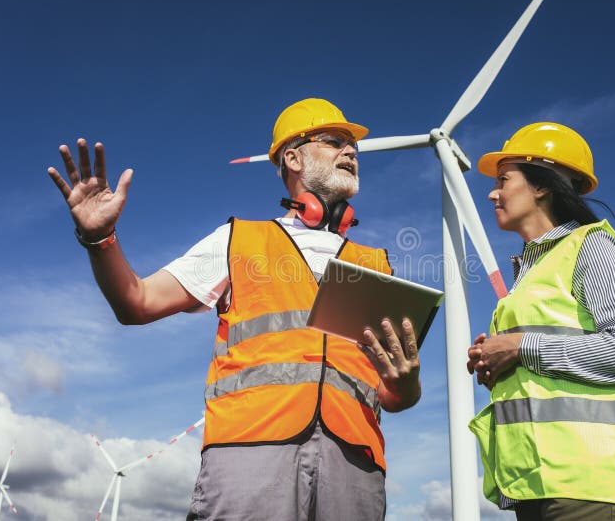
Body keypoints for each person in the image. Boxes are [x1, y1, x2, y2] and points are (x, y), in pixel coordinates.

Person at [47, 98, 422, 520]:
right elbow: (137, 302)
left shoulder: (376, 264)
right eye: (335, 141)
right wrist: (101, 239)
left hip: (355, 464)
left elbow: (394, 397)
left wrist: (408, 384)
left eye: (353, 146)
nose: (351, 152)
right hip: (250, 454)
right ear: (293, 158)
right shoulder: (237, 240)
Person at [465, 122, 615, 520]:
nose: (492, 192)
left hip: (596, 488)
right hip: (540, 488)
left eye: (504, 180)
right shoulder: (529, 276)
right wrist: (497, 361)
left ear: (541, 186)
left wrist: (520, 347)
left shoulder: (591, 246)